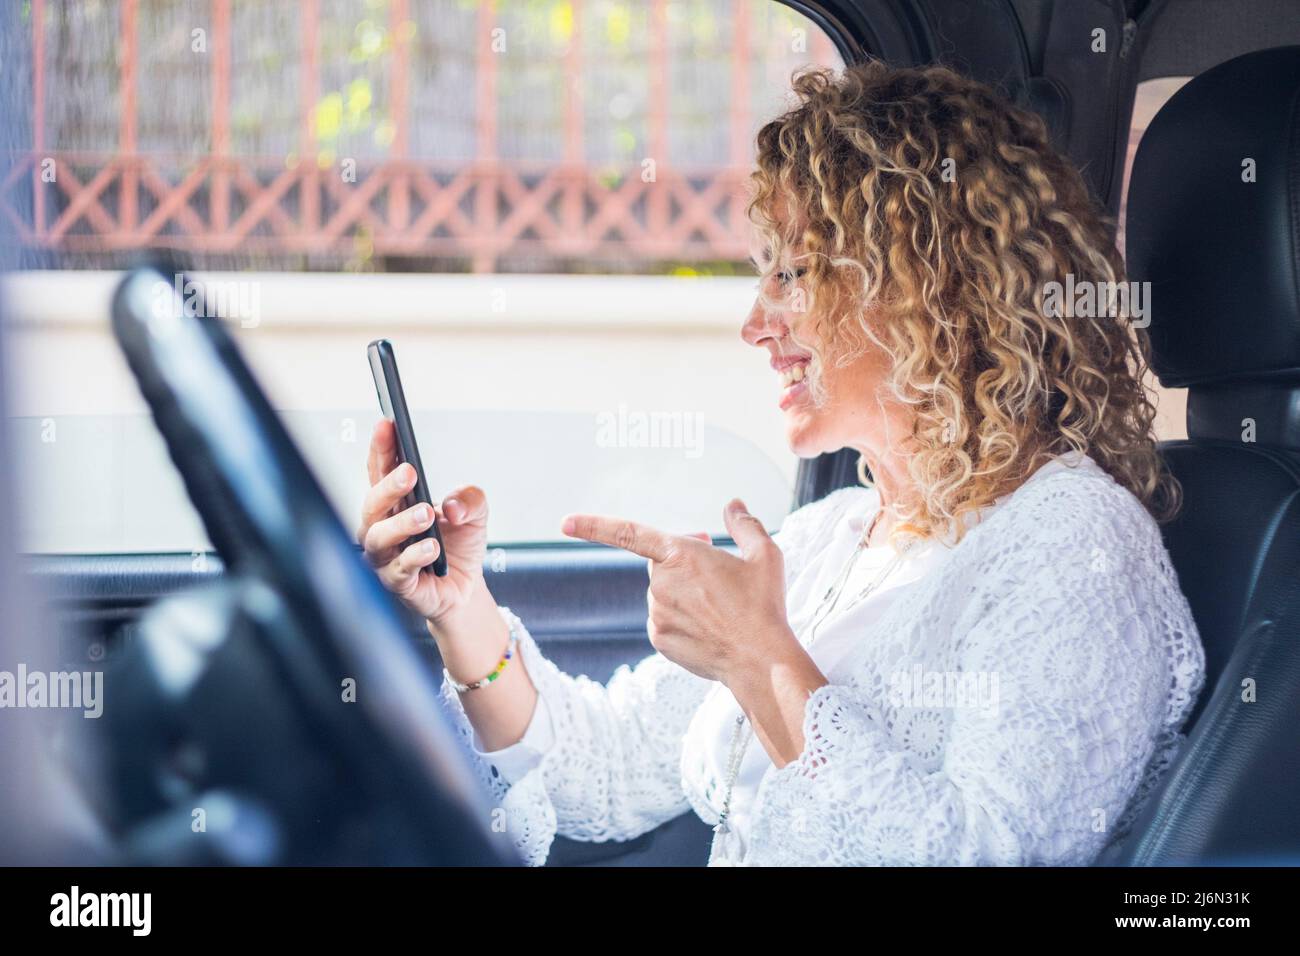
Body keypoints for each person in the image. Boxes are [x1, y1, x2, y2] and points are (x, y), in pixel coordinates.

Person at [357, 61, 1204, 866]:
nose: (755, 323)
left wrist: (760, 659)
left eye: (793, 272)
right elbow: (603, 770)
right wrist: (460, 608)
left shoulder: (1075, 549)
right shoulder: (834, 540)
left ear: (929, 284)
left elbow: (980, 852)